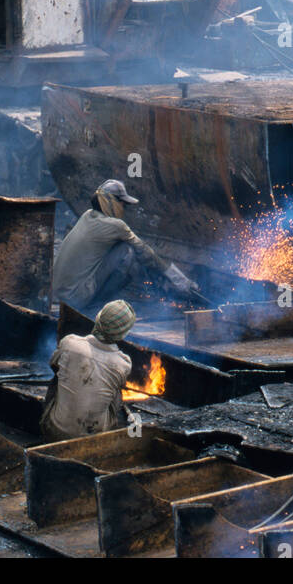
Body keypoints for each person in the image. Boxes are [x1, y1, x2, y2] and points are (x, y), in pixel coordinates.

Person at [52, 179, 202, 310]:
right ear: (109, 201)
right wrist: (180, 281)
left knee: (121, 248)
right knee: (128, 251)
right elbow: (146, 253)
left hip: (58, 294)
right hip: (76, 298)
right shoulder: (116, 225)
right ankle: (100, 305)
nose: (124, 209)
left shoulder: (87, 215)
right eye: (122, 204)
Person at [39, 300, 135, 441]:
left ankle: (57, 421)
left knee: (58, 376)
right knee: (116, 393)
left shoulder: (70, 343)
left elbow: (53, 364)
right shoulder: (123, 363)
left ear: (98, 319)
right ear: (123, 334)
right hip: (94, 438)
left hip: (53, 430)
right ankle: (109, 436)